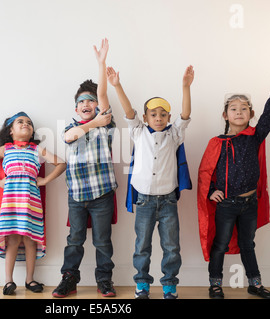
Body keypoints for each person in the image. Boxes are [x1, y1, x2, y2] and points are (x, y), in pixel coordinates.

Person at [197, 65, 270, 299]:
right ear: (225, 115)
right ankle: (215, 284)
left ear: (251, 114)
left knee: (248, 244)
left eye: (244, 109)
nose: (239, 112)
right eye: (233, 109)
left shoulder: (254, 137)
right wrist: (212, 190)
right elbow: (207, 173)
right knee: (220, 244)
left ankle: (255, 284)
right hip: (226, 205)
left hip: (249, 204)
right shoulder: (217, 142)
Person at [107, 66, 194, 299]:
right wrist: (116, 85)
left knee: (171, 247)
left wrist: (185, 87)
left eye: (163, 114)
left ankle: (169, 285)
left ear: (168, 117)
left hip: (167, 201)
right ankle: (142, 284)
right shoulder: (138, 131)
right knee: (142, 246)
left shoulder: (174, 135)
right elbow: (128, 110)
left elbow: (185, 116)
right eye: (153, 115)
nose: (158, 118)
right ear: (145, 118)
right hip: (144, 199)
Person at [52, 38, 118, 298]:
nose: (87, 104)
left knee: (102, 242)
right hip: (77, 197)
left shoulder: (107, 125)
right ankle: (69, 278)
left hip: (102, 195)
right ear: (76, 108)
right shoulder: (72, 128)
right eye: (82, 101)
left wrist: (101, 64)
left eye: (91, 101)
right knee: (74, 241)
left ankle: (104, 280)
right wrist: (93, 123)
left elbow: (103, 94)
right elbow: (70, 138)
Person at [0, 111, 66, 295]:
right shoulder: (5, 149)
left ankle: (29, 279)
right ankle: (8, 281)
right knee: (12, 240)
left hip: (31, 203)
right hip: (11, 203)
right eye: (20, 122)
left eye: (29, 122)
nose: (25, 124)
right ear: (10, 130)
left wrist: (44, 180)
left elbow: (61, 164)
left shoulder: (37, 150)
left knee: (30, 240)